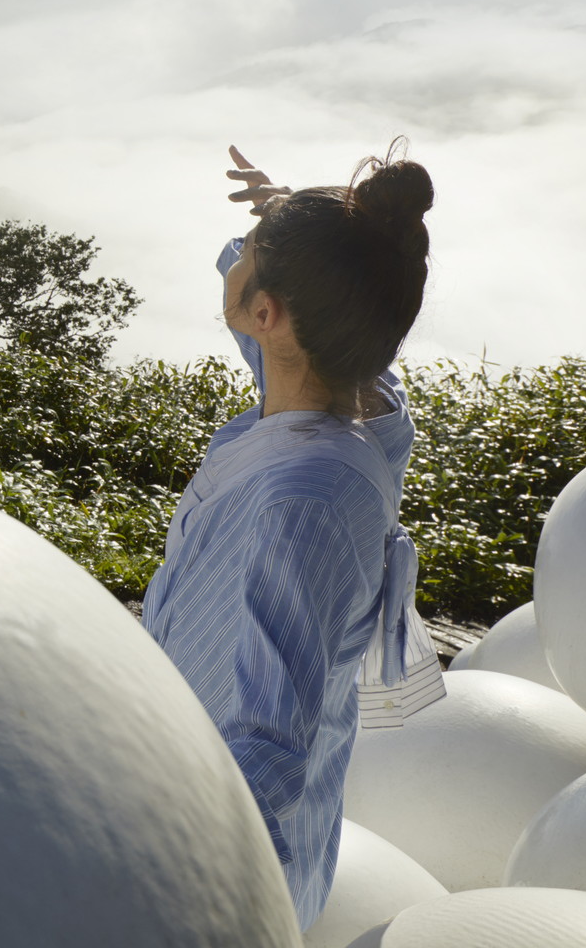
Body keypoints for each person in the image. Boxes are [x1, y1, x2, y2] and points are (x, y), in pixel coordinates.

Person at [140, 144, 435, 929]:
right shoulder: (372, 411)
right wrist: (285, 223)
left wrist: (192, 911)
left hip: (212, 868)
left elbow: (264, 748)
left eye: (254, 265)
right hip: (185, 797)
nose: (236, 266)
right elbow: (300, 318)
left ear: (267, 313)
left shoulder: (301, 501)